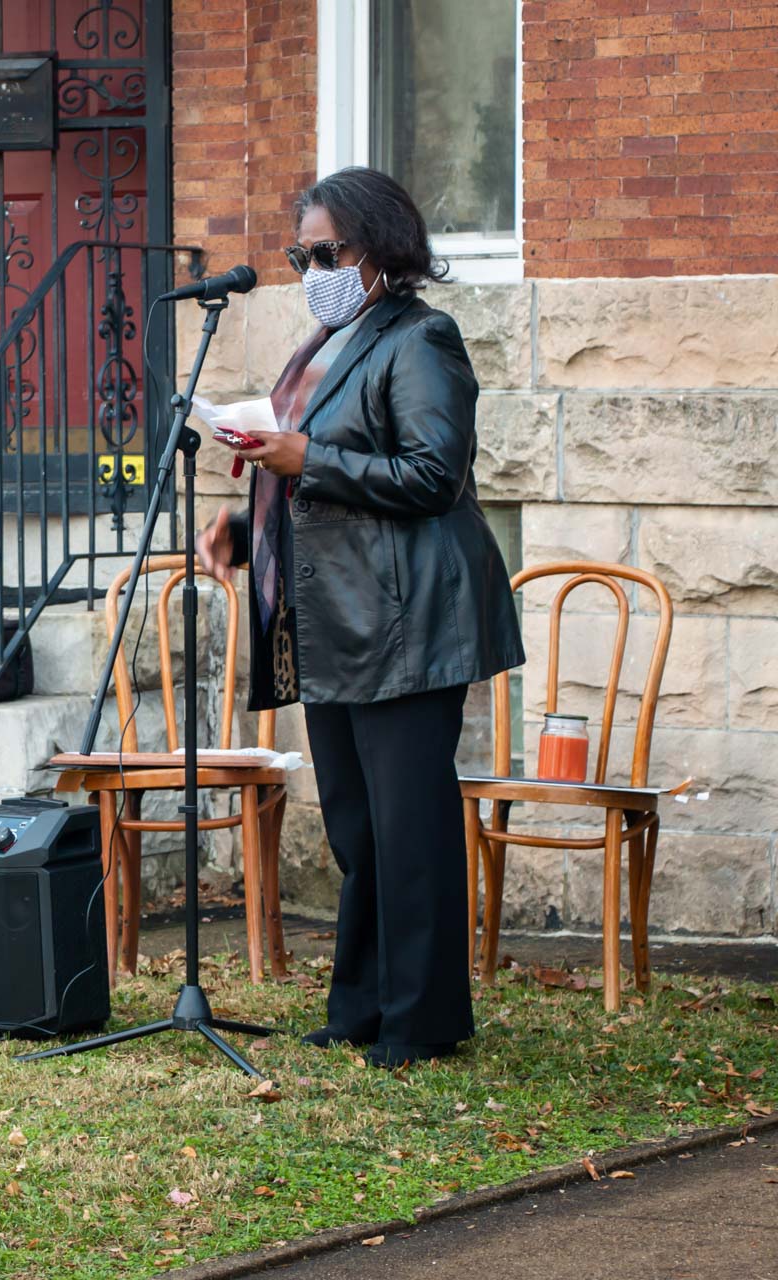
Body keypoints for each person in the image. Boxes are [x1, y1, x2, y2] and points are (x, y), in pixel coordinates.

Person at [194, 167, 523, 1069]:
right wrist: (240, 518)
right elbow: (315, 471)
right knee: (354, 825)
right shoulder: (326, 342)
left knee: (407, 826)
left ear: (380, 248)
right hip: (336, 617)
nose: (312, 269)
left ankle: (422, 1020)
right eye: (302, 254)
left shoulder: (422, 339)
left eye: (328, 251)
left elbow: (430, 475)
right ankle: (361, 1009)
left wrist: (304, 455)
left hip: (407, 618)